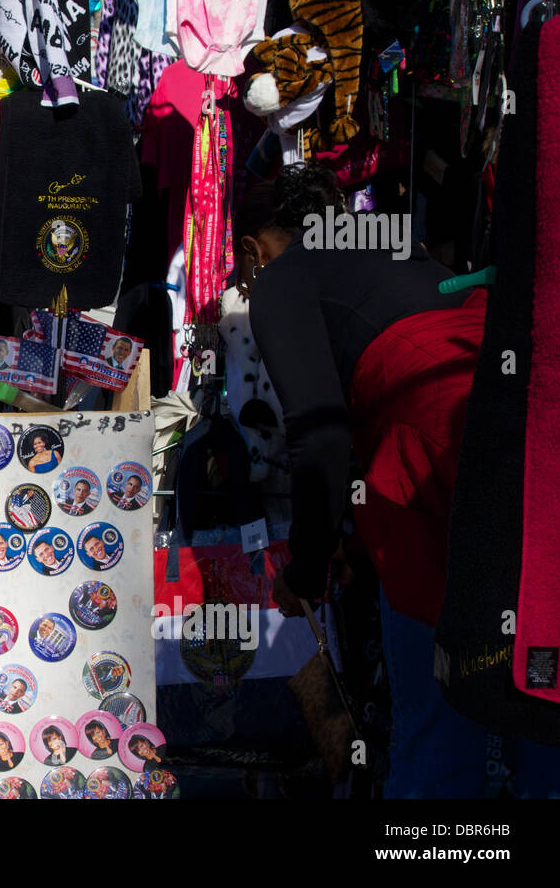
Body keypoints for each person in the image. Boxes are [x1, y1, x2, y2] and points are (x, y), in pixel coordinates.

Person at [240, 163, 560, 797]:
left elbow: (321, 432)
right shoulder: (384, 245)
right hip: (527, 424)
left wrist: (305, 570)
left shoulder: (281, 279)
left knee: (442, 720)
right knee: (536, 684)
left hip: (435, 453)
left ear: (253, 249)